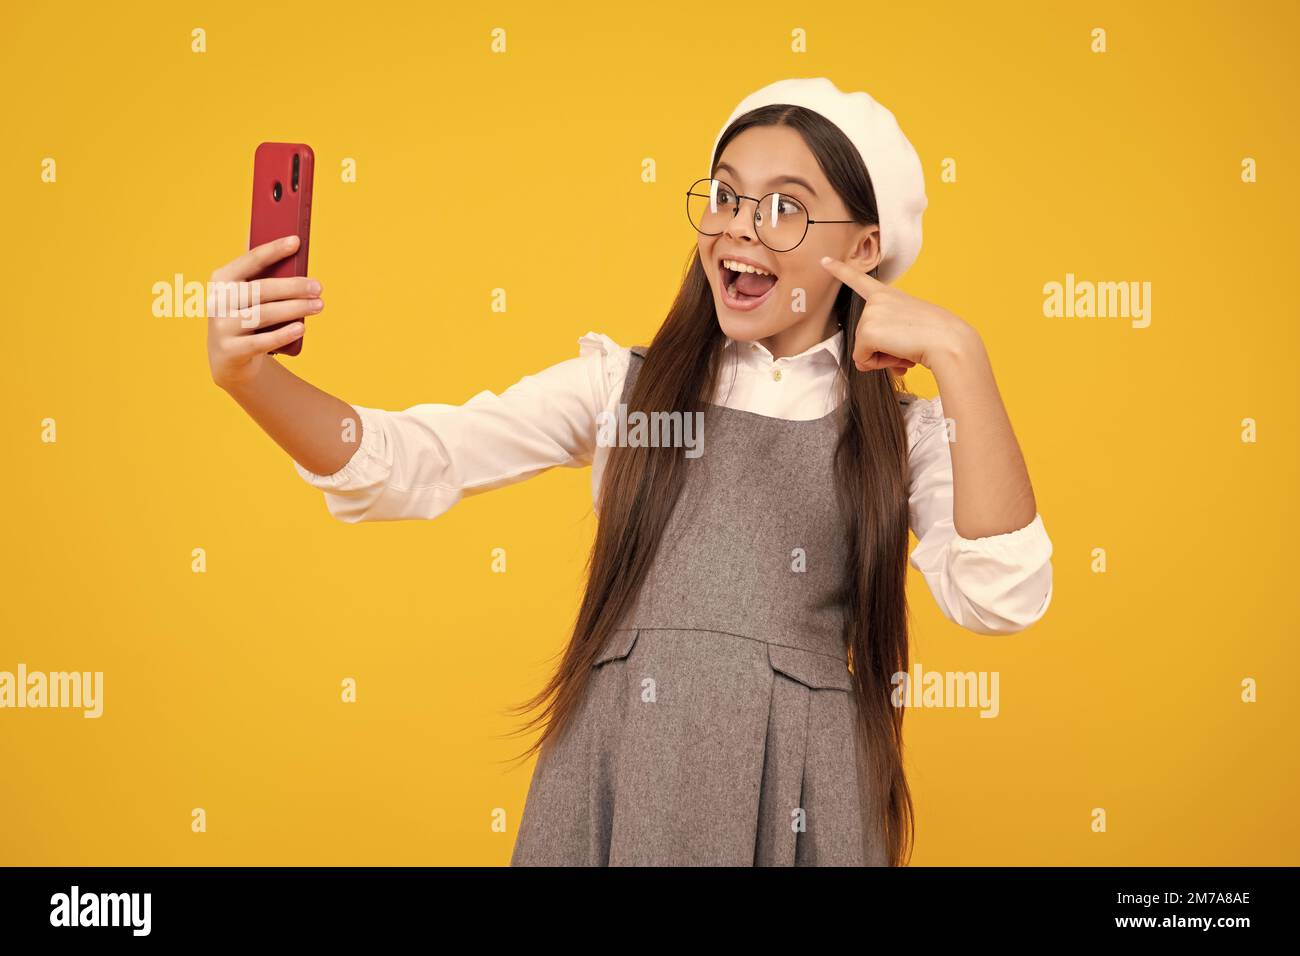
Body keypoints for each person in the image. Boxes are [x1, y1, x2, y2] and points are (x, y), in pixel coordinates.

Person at [206, 77, 1054, 866]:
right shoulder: (623, 387)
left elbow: (1001, 594)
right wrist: (252, 378)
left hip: (808, 795)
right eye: (725, 196)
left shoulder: (904, 438)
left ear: (864, 248)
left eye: (786, 209)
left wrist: (960, 357)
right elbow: (410, 461)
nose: (738, 229)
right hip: (617, 777)